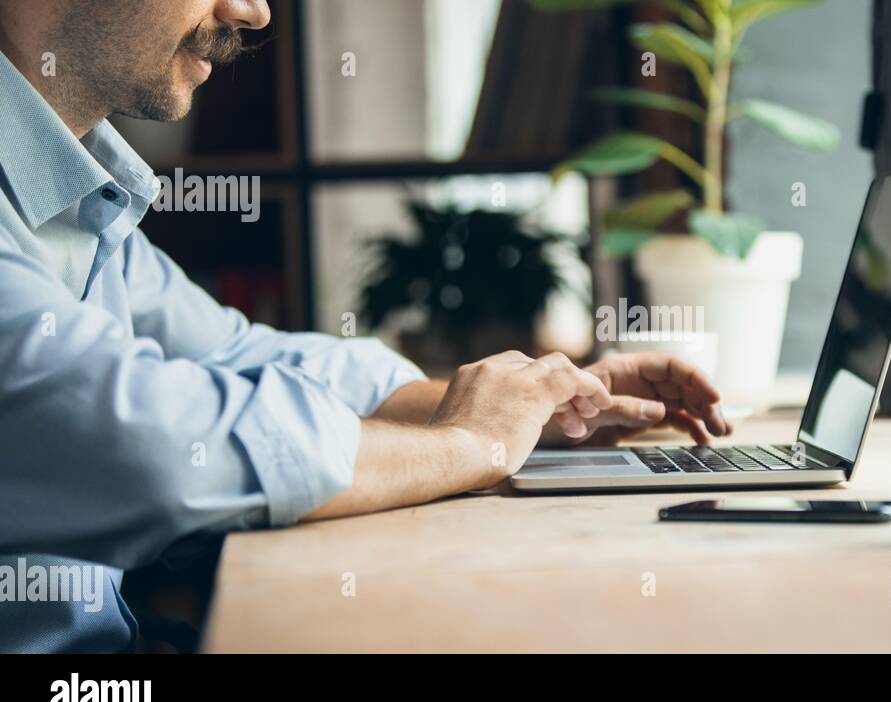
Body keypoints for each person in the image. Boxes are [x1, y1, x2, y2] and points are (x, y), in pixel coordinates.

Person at [0, 0, 731, 652]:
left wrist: (529, 405)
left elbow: (237, 355)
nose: (252, 11)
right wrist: (466, 445)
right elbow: (153, 451)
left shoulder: (83, 201)